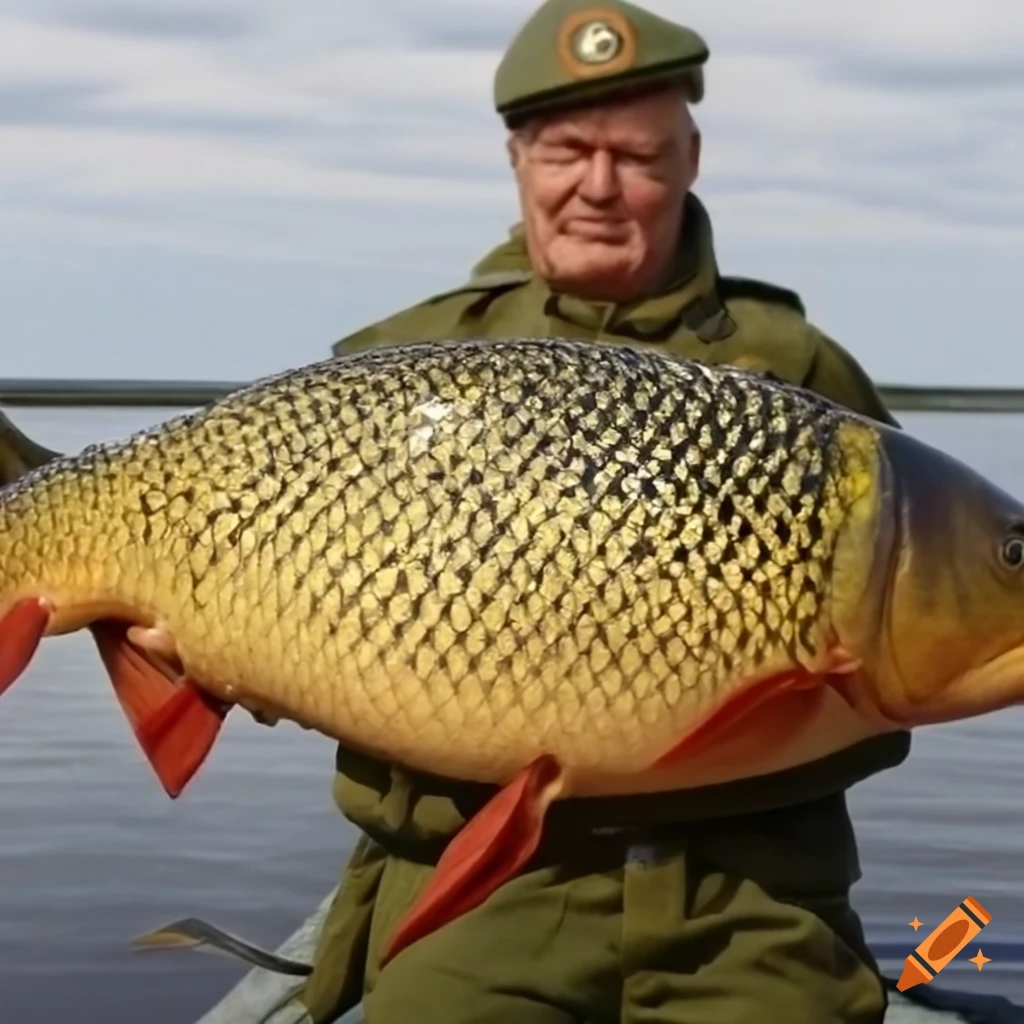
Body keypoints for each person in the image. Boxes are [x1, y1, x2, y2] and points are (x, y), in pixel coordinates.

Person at [296, 1, 909, 1022]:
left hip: (754, 894)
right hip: (475, 885)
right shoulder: (396, 369)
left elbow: (915, 643)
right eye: (567, 150)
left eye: (636, 153)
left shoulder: (800, 373)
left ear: (690, 157)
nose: (598, 185)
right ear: (517, 159)